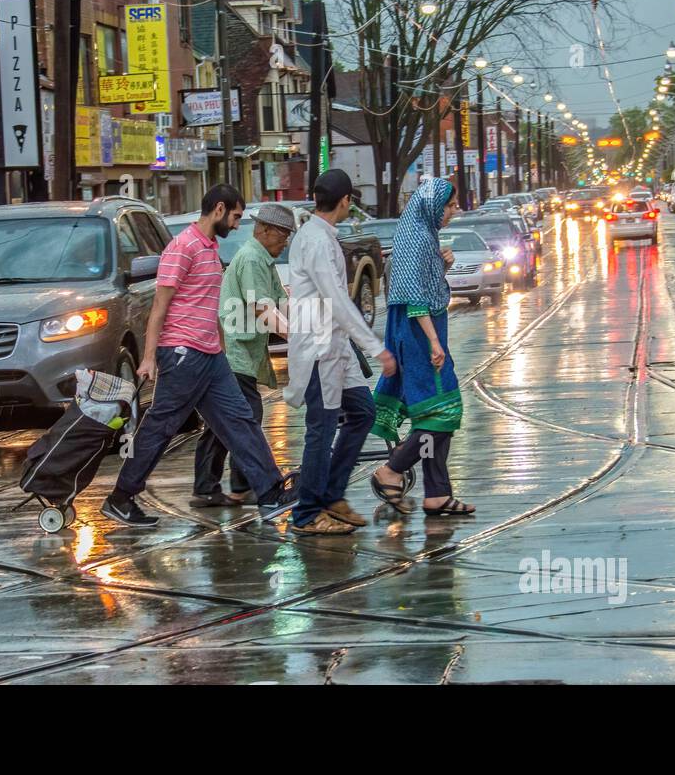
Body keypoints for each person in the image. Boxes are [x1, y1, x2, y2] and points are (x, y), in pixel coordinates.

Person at [100, 185, 300, 527]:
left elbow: (211, 309)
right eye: (236, 216)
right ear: (219, 209)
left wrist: (219, 346)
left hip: (211, 356)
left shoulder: (209, 249)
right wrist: (149, 358)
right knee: (160, 427)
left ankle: (270, 494)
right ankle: (121, 497)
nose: (238, 225)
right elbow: (159, 309)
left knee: (240, 421)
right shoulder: (182, 248)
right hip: (182, 355)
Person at [284, 169, 397, 536]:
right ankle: (306, 511)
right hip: (319, 349)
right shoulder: (316, 240)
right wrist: (376, 347)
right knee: (321, 428)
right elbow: (337, 301)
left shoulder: (323, 236)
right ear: (346, 200)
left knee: (362, 412)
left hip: (335, 348)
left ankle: (332, 494)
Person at [369, 177, 473, 517]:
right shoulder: (416, 237)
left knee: (434, 414)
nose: (453, 213)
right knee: (441, 411)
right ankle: (392, 469)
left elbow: (423, 284)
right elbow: (415, 298)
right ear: (433, 206)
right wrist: (433, 342)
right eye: (450, 206)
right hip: (418, 338)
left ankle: (437, 494)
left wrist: (443, 264)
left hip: (421, 335)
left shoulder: (422, 234)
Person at [192, 203, 294, 507]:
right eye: (282, 234)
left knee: (223, 424)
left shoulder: (263, 260)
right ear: (262, 230)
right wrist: (297, 337)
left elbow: (281, 302)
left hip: (242, 354)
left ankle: (208, 487)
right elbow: (261, 306)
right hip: (234, 354)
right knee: (245, 419)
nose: (285, 241)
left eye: (288, 235)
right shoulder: (251, 258)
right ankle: (240, 485)